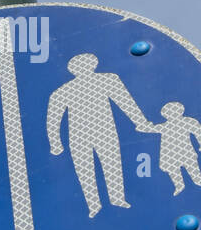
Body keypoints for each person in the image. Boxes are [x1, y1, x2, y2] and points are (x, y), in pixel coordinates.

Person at [47, 53, 154, 217]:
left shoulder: (108, 79)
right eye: (79, 66)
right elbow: (54, 118)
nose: (83, 68)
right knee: (85, 170)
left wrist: (140, 122)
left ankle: (117, 198)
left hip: (104, 130)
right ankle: (93, 205)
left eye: (86, 64)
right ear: (73, 70)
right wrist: (55, 142)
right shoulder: (63, 91)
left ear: (94, 64)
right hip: (79, 136)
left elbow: (125, 101)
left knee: (112, 164)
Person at [152, 101, 201, 195]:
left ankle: (198, 182)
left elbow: (199, 132)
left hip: (185, 151)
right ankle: (179, 186)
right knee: (173, 170)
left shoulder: (188, 121)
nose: (169, 115)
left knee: (191, 166)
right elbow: (152, 129)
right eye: (167, 113)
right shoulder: (165, 126)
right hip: (170, 154)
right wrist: (144, 126)